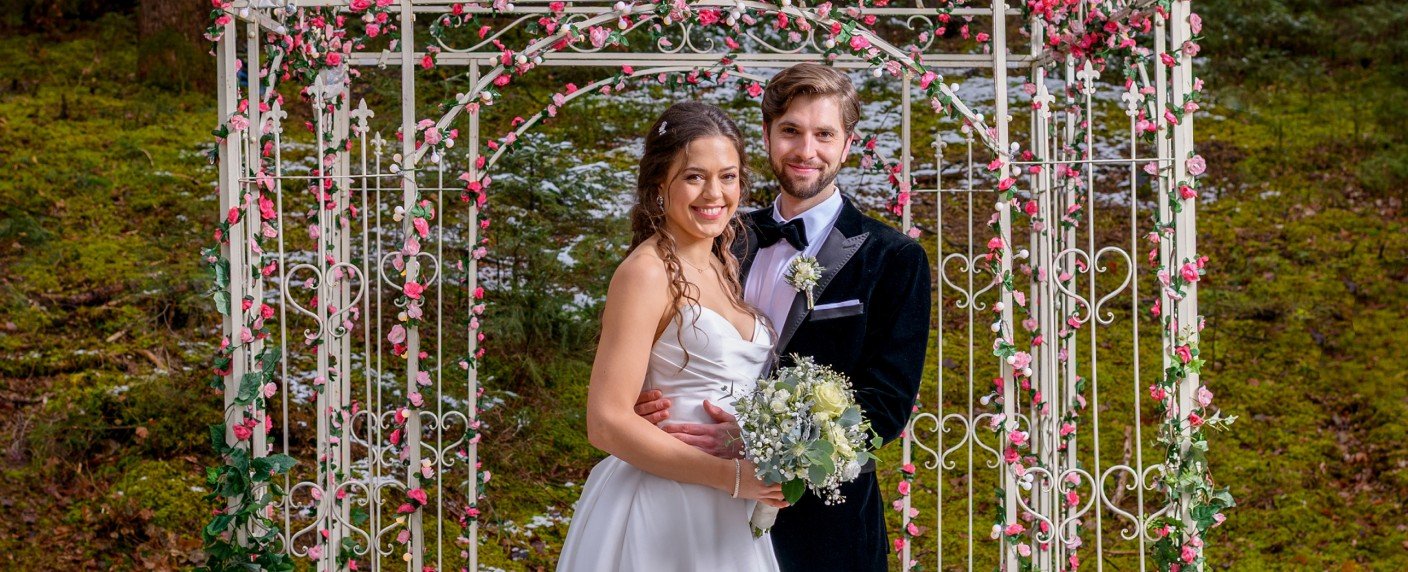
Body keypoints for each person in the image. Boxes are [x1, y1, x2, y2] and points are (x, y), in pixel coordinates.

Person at [635, 63, 932, 571]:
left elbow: (884, 407)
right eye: (791, 131)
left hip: (825, 525)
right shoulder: (719, 237)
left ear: (847, 144)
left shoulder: (894, 258)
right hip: (702, 508)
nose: (805, 150)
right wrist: (651, 398)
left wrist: (758, 442)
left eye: (824, 134)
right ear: (768, 134)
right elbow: (662, 333)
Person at [556, 101, 787, 572]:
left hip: (729, 508)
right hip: (666, 503)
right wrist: (731, 476)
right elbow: (605, 422)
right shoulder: (645, 273)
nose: (714, 193)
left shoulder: (722, 263)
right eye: (694, 176)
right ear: (660, 184)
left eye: (728, 176)